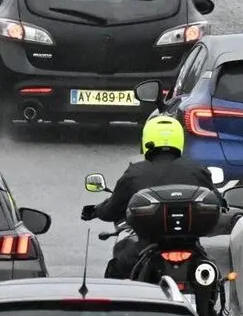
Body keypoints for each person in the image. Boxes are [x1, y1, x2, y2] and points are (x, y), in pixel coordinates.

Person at [81, 114, 217, 278]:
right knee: (212, 274)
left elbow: (112, 209)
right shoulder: (197, 170)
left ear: (147, 139)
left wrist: (96, 211)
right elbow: (217, 201)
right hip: (191, 245)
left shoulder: (135, 172)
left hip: (147, 245)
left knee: (116, 271)